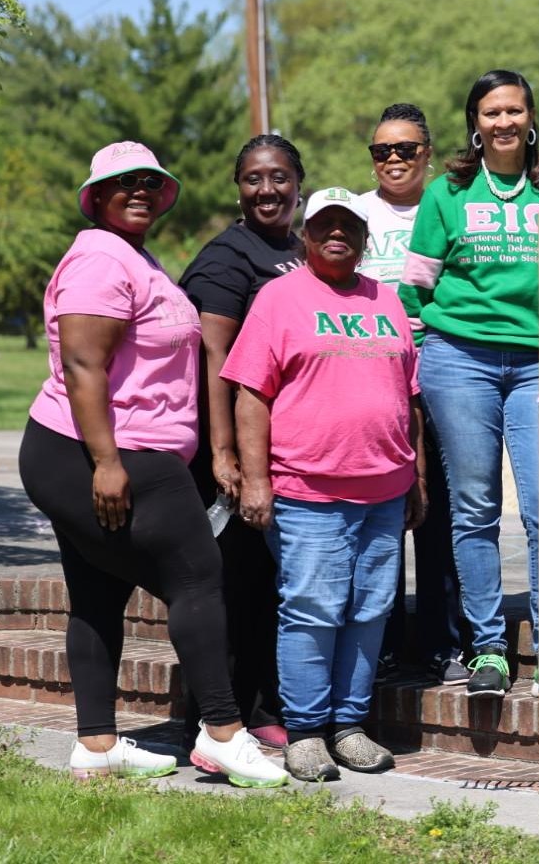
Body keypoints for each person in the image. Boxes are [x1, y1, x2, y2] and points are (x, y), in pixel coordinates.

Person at [19, 141, 286, 788]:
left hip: (114, 449)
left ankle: (97, 744)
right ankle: (223, 733)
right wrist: (106, 463)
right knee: (199, 576)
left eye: (149, 182)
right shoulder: (99, 258)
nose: (138, 191)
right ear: (96, 196)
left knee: (97, 593)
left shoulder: (134, 256)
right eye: (123, 183)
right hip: (107, 451)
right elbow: (84, 364)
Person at [399, 70, 539, 704]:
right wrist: (423, 363)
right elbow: (415, 291)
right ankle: (487, 646)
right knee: (475, 506)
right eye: (492, 112)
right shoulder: (447, 194)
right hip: (460, 362)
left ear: (531, 118)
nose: (504, 122)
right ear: (475, 123)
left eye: (514, 110)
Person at [226, 187, 424, 782]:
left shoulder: (386, 299)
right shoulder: (278, 298)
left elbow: (409, 395)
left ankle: (349, 725)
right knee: (313, 609)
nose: (337, 235)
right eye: (324, 226)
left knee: (371, 610)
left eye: (349, 227)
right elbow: (251, 395)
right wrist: (255, 481)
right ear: (306, 236)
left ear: (365, 239)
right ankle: (307, 732)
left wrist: (416, 477)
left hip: (384, 490)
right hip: (307, 489)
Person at [176, 134, 307, 753]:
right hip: (229, 451)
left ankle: (257, 705)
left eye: (279, 177)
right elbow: (214, 359)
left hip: (280, 446)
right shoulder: (228, 258)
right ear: (238, 189)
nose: (267, 190)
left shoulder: (297, 250)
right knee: (233, 582)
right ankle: (217, 716)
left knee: (268, 581)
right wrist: (223, 453)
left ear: (298, 185)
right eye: (254, 178)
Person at [355, 103, 468, 688]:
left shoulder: (449, 204)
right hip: (373, 383)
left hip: (441, 373)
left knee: (439, 513)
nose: (393, 159)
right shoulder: (353, 213)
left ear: (428, 153)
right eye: (382, 150)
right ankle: (385, 642)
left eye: (406, 149)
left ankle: (442, 642)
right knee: (381, 518)